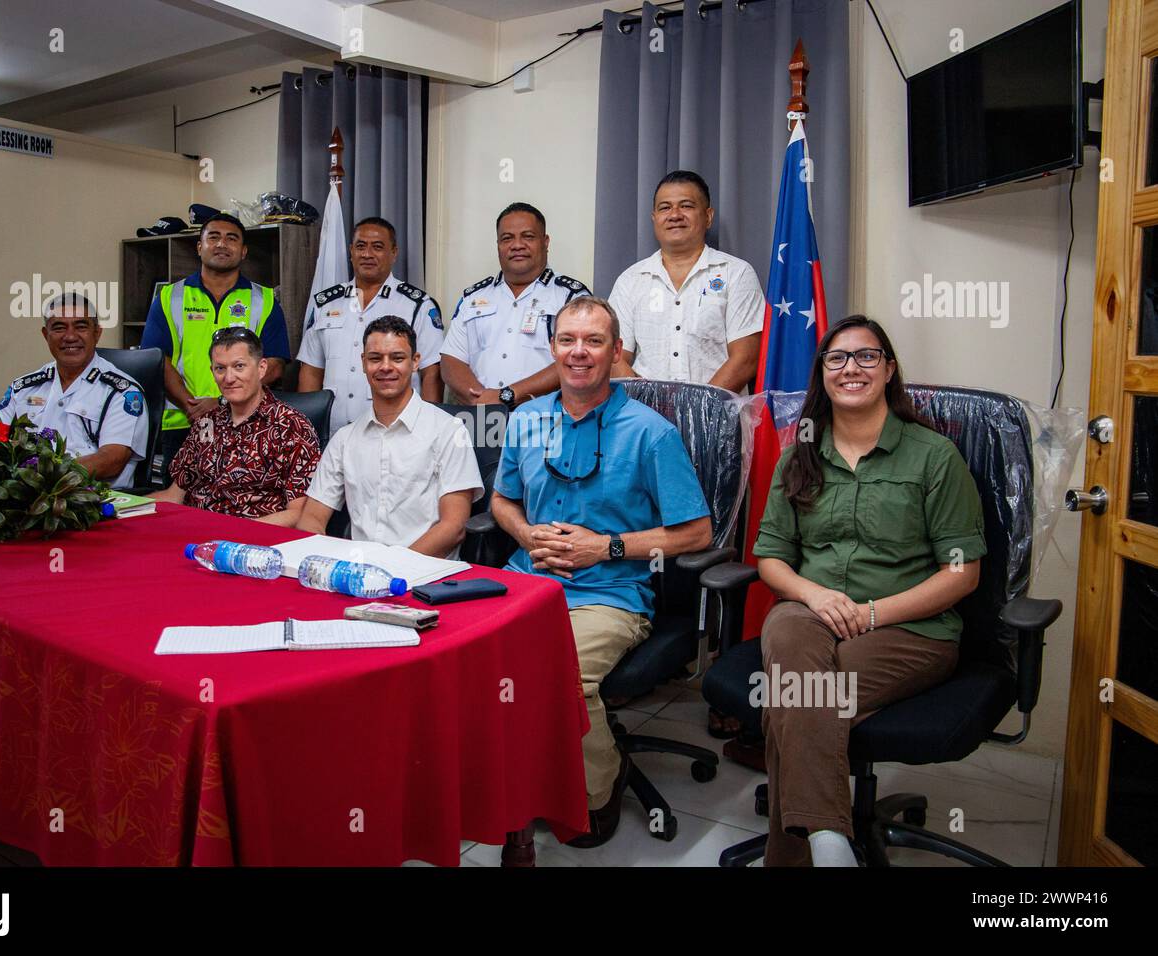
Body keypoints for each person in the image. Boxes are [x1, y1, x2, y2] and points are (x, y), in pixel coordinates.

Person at [752, 315, 986, 866]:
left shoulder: (934, 457)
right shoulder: (799, 455)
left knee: (794, 701)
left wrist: (875, 612)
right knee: (787, 631)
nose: (850, 367)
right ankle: (833, 844)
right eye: (836, 358)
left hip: (911, 627)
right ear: (822, 374)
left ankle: (811, 851)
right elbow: (771, 558)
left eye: (866, 356)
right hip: (811, 614)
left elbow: (962, 573)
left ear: (889, 370)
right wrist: (814, 596)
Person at [489, 295, 712, 847]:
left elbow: (697, 534)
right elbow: (502, 502)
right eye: (568, 340)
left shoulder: (650, 432)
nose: (579, 352)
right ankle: (515, 786)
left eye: (594, 341)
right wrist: (524, 533)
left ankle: (597, 788)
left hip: (609, 594)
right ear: (553, 348)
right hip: (529, 584)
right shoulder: (525, 419)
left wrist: (604, 548)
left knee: (562, 676)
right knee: (473, 665)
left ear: (615, 353)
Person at [265, 316, 482, 559]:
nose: (385, 367)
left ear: (415, 362)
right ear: (363, 362)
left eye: (397, 358)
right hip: (358, 575)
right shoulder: (345, 439)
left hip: (428, 577)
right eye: (375, 358)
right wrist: (330, 564)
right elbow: (311, 519)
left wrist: (392, 568)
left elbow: (453, 529)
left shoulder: (448, 431)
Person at [140, 213, 292, 475]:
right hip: (182, 423)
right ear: (199, 247)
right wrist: (192, 406)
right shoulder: (170, 297)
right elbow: (156, 360)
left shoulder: (264, 300)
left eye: (231, 238)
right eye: (213, 237)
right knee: (179, 507)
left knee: (238, 502)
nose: (222, 244)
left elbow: (275, 365)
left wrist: (222, 403)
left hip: (247, 423)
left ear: (243, 251)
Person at [608, 170, 764, 390]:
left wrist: (699, 409)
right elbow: (615, 357)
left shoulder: (736, 273)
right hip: (647, 418)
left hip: (718, 418)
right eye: (665, 207)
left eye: (686, 206)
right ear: (654, 218)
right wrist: (651, 410)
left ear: (708, 216)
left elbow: (746, 359)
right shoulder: (630, 280)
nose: (675, 215)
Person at [297, 217, 444, 437]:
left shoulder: (417, 305)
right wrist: (305, 431)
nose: (367, 254)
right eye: (360, 246)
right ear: (350, 251)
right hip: (331, 432)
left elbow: (432, 373)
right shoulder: (325, 304)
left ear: (394, 253)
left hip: (396, 432)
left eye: (377, 247)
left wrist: (428, 431)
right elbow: (311, 370)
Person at [151, 327, 319, 519]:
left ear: (261, 368)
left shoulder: (292, 427)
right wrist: (123, 507)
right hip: (195, 534)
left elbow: (299, 514)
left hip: (253, 541)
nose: (229, 378)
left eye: (239, 366)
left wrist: (232, 534)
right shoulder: (207, 423)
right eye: (220, 368)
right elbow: (173, 496)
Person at [441, 202, 590, 410]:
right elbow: (451, 360)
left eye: (528, 236)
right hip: (480, 420)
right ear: (498, 245)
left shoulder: (571, 297)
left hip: (548, 420)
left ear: (545, 242)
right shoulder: (473, 297)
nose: (517, 245)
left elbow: (577, 359)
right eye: (507, 238)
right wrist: (481, 401)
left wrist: (508, 396)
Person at [0, 292, 148, 489]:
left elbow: (112, 460)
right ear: (45, 334)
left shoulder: (122, 393)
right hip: (27, 498)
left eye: (81, 326)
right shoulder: (23, 388)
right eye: (59, 328)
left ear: (97, 333)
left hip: (95, 503)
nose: (70, 336)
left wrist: (42, 476)